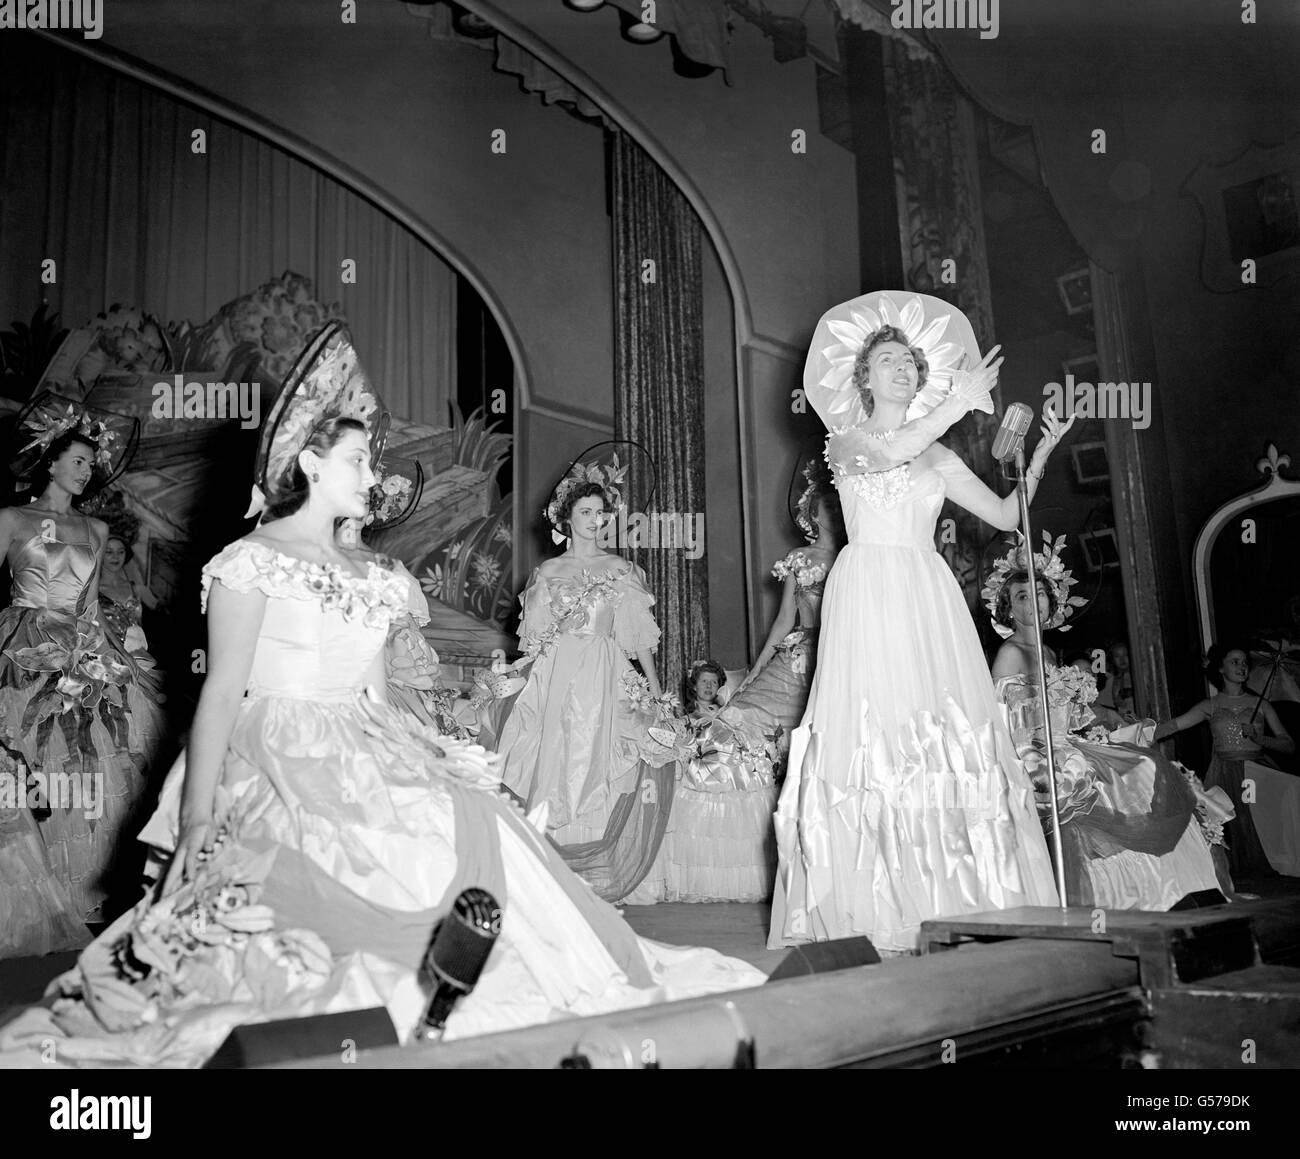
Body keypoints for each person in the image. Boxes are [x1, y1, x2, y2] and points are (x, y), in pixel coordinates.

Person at [0, 325, 762, 1068]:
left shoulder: (375, 577)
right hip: (274, 750)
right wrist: (197, 817)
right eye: (360, 460)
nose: (373, 478)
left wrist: (438, 763)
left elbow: (372, 701)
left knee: (471, 826)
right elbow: (224, 692)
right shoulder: (249, 563)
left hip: (361, 742)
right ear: (310, 460)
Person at [770, 291, 1069, 954]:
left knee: (945, 733)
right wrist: (957, 404)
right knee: (876, 729)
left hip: (927, 589)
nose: (901, 367)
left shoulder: (936, 455)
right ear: (863, 377)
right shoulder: (846, 441)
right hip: (871, 585)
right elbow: (891, 450)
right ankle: (872, 900)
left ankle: (956, 889)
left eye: (909, 359)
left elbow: (1003, 517)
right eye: (886, 358)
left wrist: (1037, 458)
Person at [0, 399, 166, 938]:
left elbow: (90, 603)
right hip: (23, 644)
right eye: (76, 460)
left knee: (92, 760)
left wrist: (118, 661)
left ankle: (86, 890)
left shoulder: (95, 530)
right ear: (50, 463)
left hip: (82, 648)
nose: (85, 469)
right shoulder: (11, 519)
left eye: (90, 463)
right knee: (34, 758)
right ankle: (38, 893)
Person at [987, 537, 1226, 908]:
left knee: (1146, 765)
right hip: (1037, 753)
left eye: (1039, 593)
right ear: (1008, 608)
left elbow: (1063, 710)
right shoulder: (1010, 653)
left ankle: (1167, 887)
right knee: (1118, 780)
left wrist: (1100, 715)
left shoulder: (1048, 652)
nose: (1033, 601)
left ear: (1052, 601)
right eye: (1021, 596)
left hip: (1067, 742)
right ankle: (1122, 897)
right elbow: (1006, 720)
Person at [496, 454, 691, 901]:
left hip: (603, 671)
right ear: (566, 517)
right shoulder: (547, 572)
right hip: (557, 670)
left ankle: (594, 873)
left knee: (602, 753)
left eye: (599, 512)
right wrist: (515, 679)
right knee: (552, 755)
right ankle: (544, 870)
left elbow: (637, 639)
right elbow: (535, 642)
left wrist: (657, 695)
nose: (594, 519)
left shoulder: (621, 570)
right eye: (584, 511)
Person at [728, 461, 843, 770]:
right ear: (814, 515)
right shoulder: (798, 557)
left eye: (838, 506)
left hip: (838, 654)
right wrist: (757, 668)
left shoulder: (851, 558)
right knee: (750, 718)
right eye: (826, 507)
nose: (834, 512)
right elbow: (783, 620)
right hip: (799, 656)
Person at [639, 660, 780, 903]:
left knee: (728, 832)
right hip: (698, 781)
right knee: (700, 835)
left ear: (719, 687)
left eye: (713, 682)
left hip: (728, 780)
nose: (708, 686)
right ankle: (700, 882)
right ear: (694, 685)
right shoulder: (683, 717)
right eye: (704, 681)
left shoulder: (732, 712)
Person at [1156, 642, 1295, 878]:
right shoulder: (1210, 705)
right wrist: (1136, 729)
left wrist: (1259, 737)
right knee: (1228, 826)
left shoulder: (1260, 704)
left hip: (1256, 771)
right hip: (1224, 771)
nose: (1242, 667)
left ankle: (1269, 877)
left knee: (1261, 827)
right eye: (1235, 662)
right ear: (1220, 669)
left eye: (1244, 663)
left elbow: (1289, 745)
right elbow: (1173, 725)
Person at [99, 533, 159, 654]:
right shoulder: (92, 592)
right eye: (109, 552)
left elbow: (164, 619)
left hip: (140, 657)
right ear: (100, 555)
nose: (116, 557)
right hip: (107, 659)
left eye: (121, 552)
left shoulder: (138, 590)